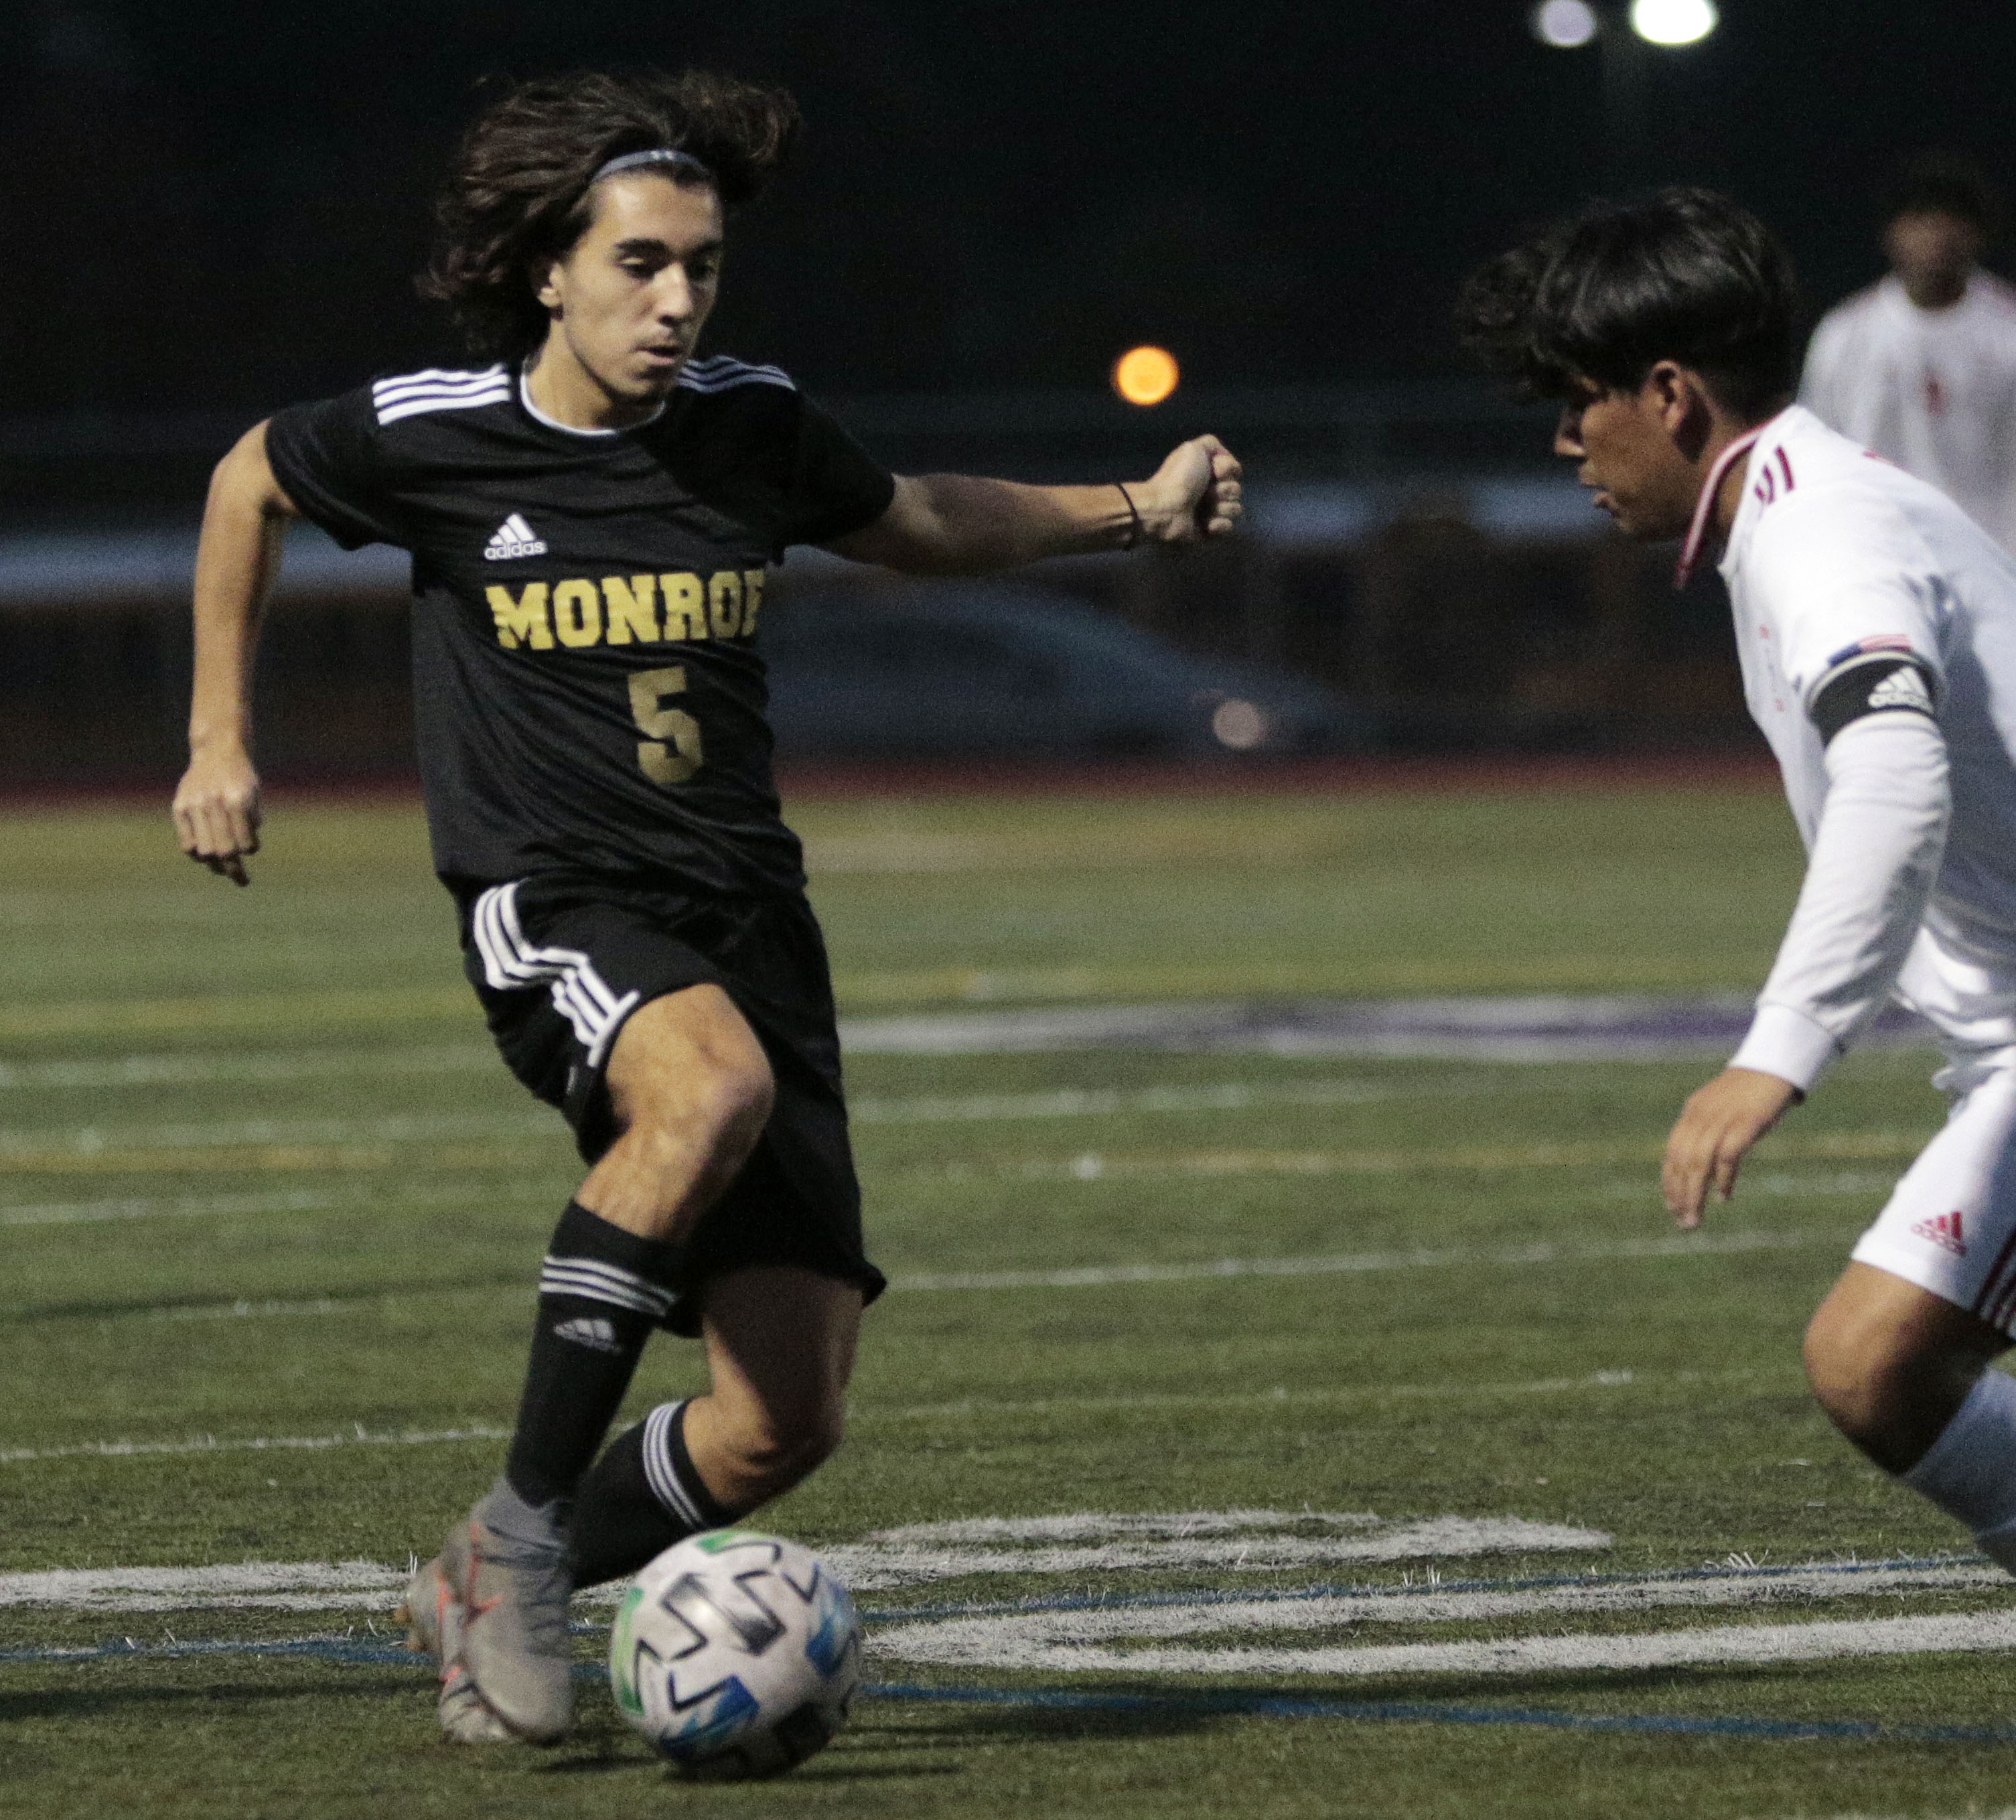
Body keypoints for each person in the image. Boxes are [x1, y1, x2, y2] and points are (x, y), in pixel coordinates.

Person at [169, 70, 1242, 1748]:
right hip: (559, 898)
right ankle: (526, 1546)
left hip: (751, 922)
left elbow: (911, 521)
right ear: (549, 272)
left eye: (703, 268)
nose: (676, 302)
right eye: (641, 266)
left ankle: (470, 1573)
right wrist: (219, 739)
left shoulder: (750, 422)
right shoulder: (432, 435)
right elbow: (249, 480)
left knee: (778, 1420)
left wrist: (1129, 511)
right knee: (704, 1087)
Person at [1457, 188, 2016, 1777]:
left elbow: (1892, 779)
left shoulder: (1815, 533)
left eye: (1577, 398)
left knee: (1870, 1360)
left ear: (1669, 393)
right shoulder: (1824, 499)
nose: (1566, 439)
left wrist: (1779, 1049)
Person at [1800, 153, 2016, 644]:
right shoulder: (1843, 335)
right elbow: (1817, 470)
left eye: (1953, 218)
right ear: (1891, 232)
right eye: (1921, 217)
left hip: (2000, 580)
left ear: (1978, 233)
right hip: (1882, 580)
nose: (1938, 233)